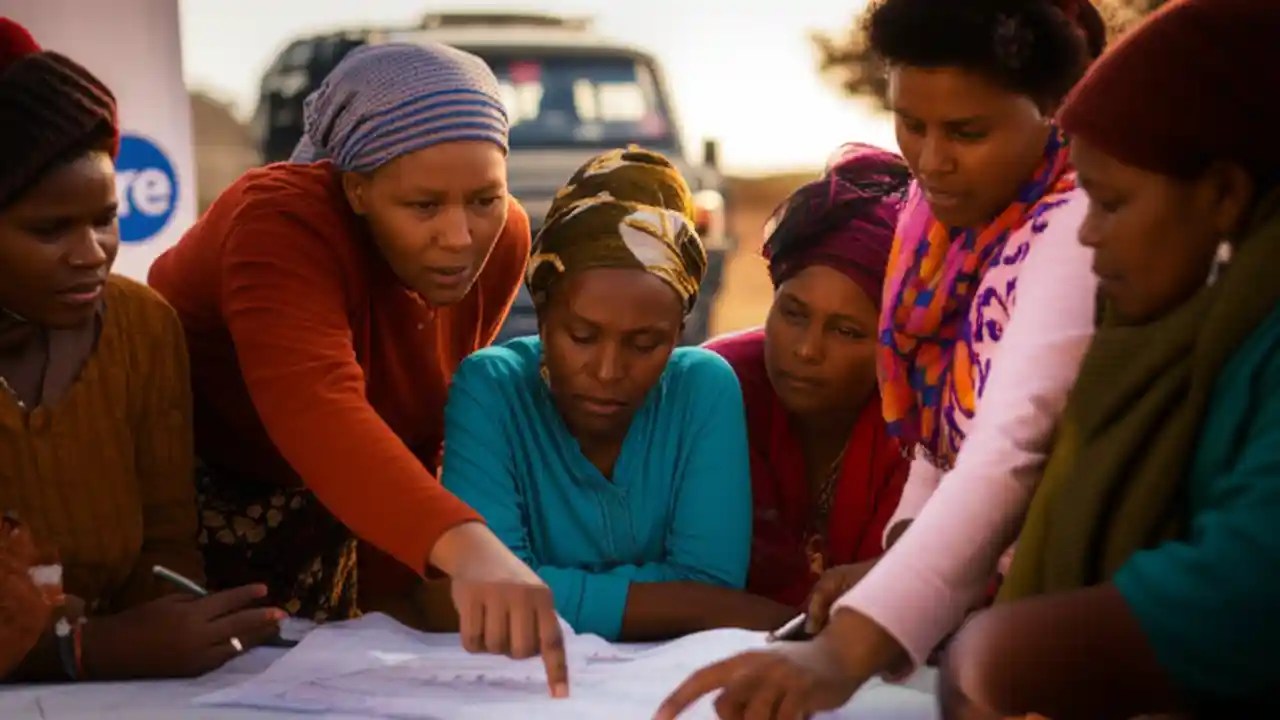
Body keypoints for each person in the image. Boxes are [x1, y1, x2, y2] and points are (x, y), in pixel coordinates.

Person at [655, 0, 1108, 716]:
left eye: (967, 131)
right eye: (911, 124)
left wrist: (843, 654)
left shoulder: (1075, 224)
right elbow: (938, 449)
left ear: (1054, 108)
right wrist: (890, 567)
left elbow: (1006, 452)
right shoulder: (939, 224)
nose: (930, 160)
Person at [147, 43, 568, 693]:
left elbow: (418, 419)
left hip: (343, 503)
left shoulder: (503, 237)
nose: (459, 237)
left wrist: (393, 615)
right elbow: (319, 406)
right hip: (184, 516)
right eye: (425, 206)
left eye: (483, 199)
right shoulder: (279, 219)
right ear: (357, 188)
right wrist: (470, 549)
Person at [940, 0, 1280, 716]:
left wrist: (993, 654)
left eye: (1112, 203)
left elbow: (1248, 592)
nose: (1087, 237)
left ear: (1224, 193)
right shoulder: (1191, 335)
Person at [0, 17, 281, 681]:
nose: (92, 252)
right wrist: (89, 651)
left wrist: (185, 631)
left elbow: (165, 545)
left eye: (104, 217)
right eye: (49, 230)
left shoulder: (141, 327)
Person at [440, 147, 752, 642]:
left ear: (678, 332)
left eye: (645, 344)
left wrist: (542, 587)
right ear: (543, 317)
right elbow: (483, 589)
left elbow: (713, 582)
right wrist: (687, 603)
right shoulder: (492, 390)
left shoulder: (701, 388)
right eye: (582, 337)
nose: (608, 371)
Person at [704, 144, 910, 610]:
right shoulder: (720, 386)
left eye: (846, 330)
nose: (806, 349)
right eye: (793, 314)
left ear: (894, 342)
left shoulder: (919, 424)